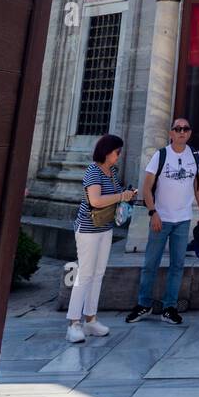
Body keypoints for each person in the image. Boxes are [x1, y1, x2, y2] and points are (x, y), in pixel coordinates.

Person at [125, 116, 199, 326]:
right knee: (151, 263)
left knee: (177, 265)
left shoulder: (195, 156)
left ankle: (169, 307)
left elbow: (198, 186)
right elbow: (147, 187)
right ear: (171, 133)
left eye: (185, 129)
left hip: (183, 218)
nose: (181, 132)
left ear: (189, 133)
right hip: (161, 218)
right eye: (177, 129)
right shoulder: (161, 156)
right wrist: (153, 213)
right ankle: (144, 303)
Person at [66, 134, 136, 343]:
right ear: (107, 152)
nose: (119, 156)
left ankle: (90, 318)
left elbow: (113, 196)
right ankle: (73, 323)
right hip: (88, 229)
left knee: (98, 274)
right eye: (117, 152)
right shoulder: (93, 171)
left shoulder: (112, 172)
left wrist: (126, 194)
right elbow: (95, 200)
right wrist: (121, 196)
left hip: (105, 228)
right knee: (84, 274)